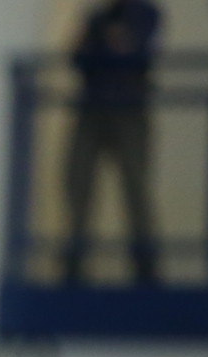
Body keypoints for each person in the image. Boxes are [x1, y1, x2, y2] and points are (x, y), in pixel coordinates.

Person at [61, 0, 162, 285]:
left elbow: (137, 54)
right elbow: (78, 58)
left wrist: (107, 48)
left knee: (135, 186)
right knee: (78, 183)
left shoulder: (145, 14)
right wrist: (105, 45)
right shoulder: (97, 17)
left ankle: (145, 266)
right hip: (92, 112)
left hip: (129, 113)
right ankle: (74, 262)